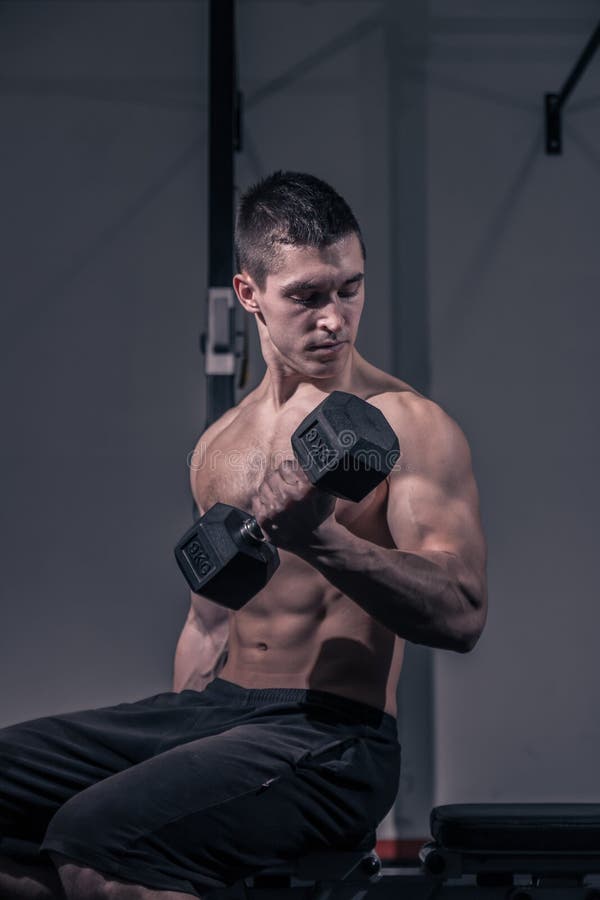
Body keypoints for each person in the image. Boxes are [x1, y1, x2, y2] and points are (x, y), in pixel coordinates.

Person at [0, 171, 487, 900]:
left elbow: (462, 613)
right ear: (250, 293)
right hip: (215, 716)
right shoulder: (218, 446)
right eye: (307, 296)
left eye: (349, 289)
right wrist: (169, 780)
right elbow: (206, 626)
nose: (334, 319)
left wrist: (325, 543)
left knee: (97, 837)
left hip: (334, 739)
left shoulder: (407, 423)